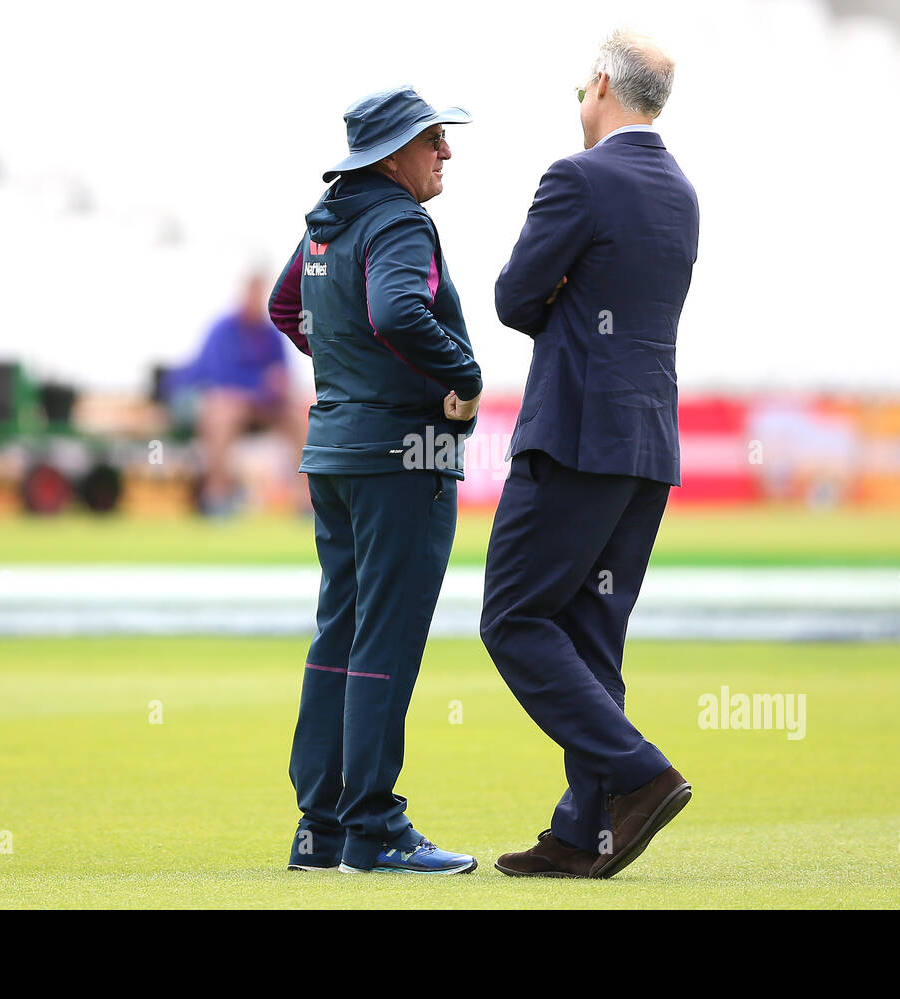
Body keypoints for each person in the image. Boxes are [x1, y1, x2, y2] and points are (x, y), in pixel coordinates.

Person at [480, 30, 700, 879]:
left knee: (513, 617)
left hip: (575, 435)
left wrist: (562, 297)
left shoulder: (577, 177)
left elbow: (513, 296)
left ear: (601, 85)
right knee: (591, 633)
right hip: (648, 441)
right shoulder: (681, 190)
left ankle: (641, 772)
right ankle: (587, 829)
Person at [268, 86, 482, 875]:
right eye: (433, 140)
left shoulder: (328, 216)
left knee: (339, 632)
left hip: (335, 452)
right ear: (394, 154)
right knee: (385, 637)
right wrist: (464, 372)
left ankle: (320, 827)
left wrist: (345, 371)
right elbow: (397, 311)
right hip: (404, 455)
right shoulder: (398, 219)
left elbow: (287, 306)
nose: (446, 152)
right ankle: (373, 828)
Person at [168, 273, 304, 515]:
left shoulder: (270, 333)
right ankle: (217, 495)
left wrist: (275, 389)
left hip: (259, 406)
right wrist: (262, 385)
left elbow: (282, 375)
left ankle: (307, 499)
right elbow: (220, 379)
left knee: (301, 415)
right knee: (222, 412)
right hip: (215, 402)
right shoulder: (222, 329)